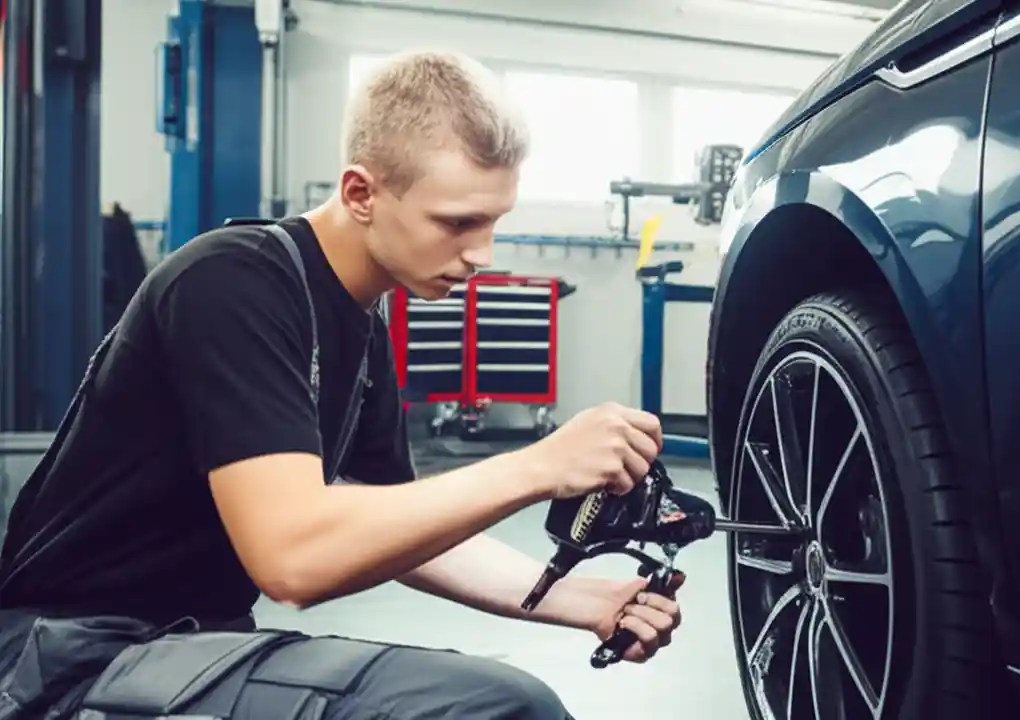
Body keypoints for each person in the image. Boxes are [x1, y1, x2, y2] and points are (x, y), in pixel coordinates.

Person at [0, 50, 681, 719]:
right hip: (70, 656)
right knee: (497, 706)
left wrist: (574, 598)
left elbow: (388, 518)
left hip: (191, 645)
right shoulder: (231, 282)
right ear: (361, 193)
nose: (482, 254)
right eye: (456, 223)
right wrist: (537, 466)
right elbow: (294, 559)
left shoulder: (357, 321)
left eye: (494, 220)